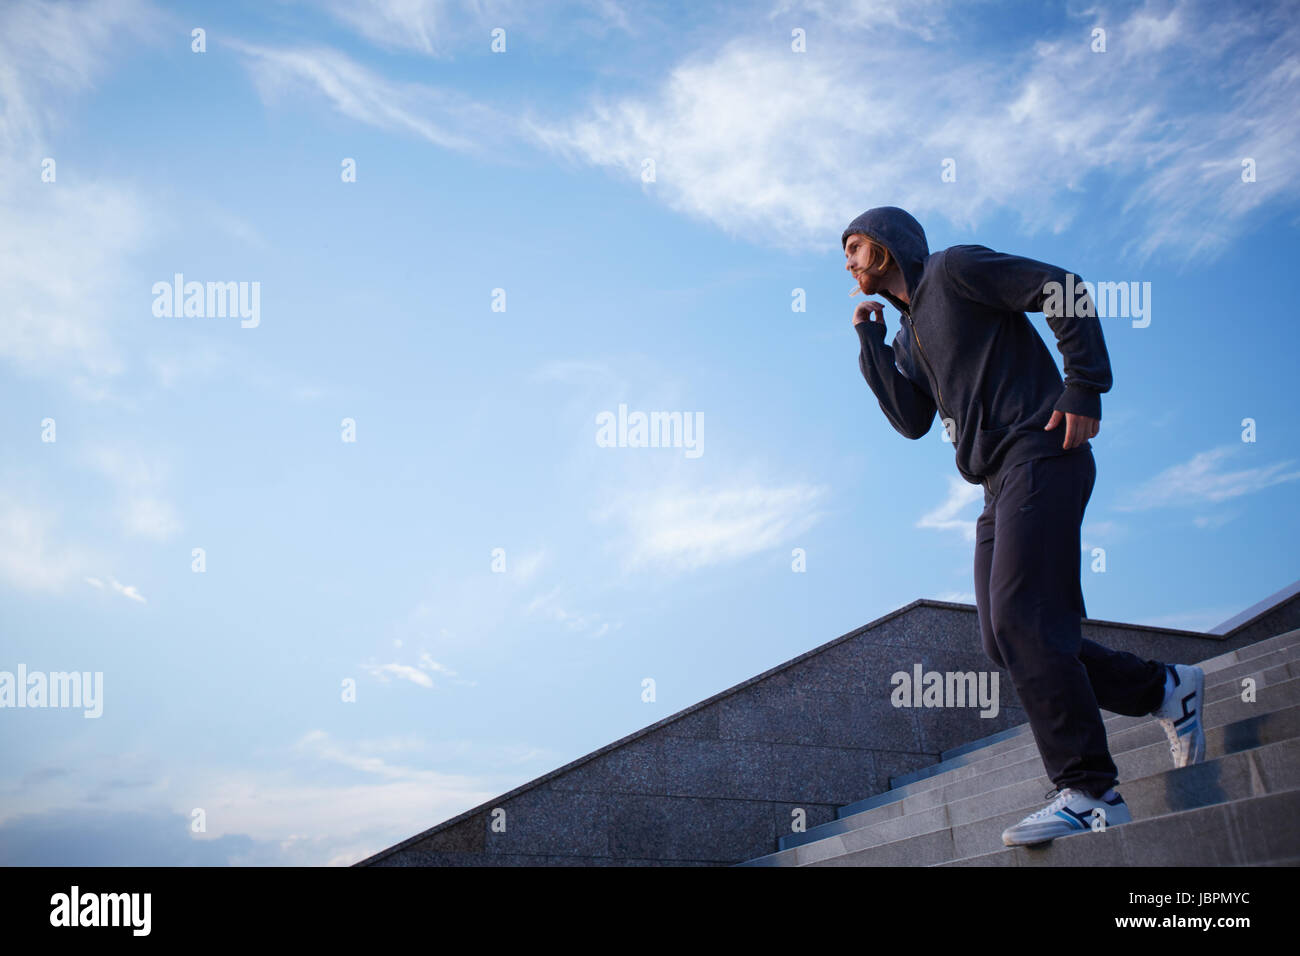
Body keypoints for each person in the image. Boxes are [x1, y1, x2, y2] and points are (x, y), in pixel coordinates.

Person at [843, 206, 1206, 846]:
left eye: (853, 245)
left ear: (887, 244)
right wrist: (871, 345)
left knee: (1024, 621)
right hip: (994, 484)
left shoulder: (956, 270)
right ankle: (1165, 688)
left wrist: (1085, 384)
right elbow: (912, 420)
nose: (845, 261)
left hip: (1042, 450)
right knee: (1002, 638)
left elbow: (1061, 286)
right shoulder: (905, 338)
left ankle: (1092, 792)